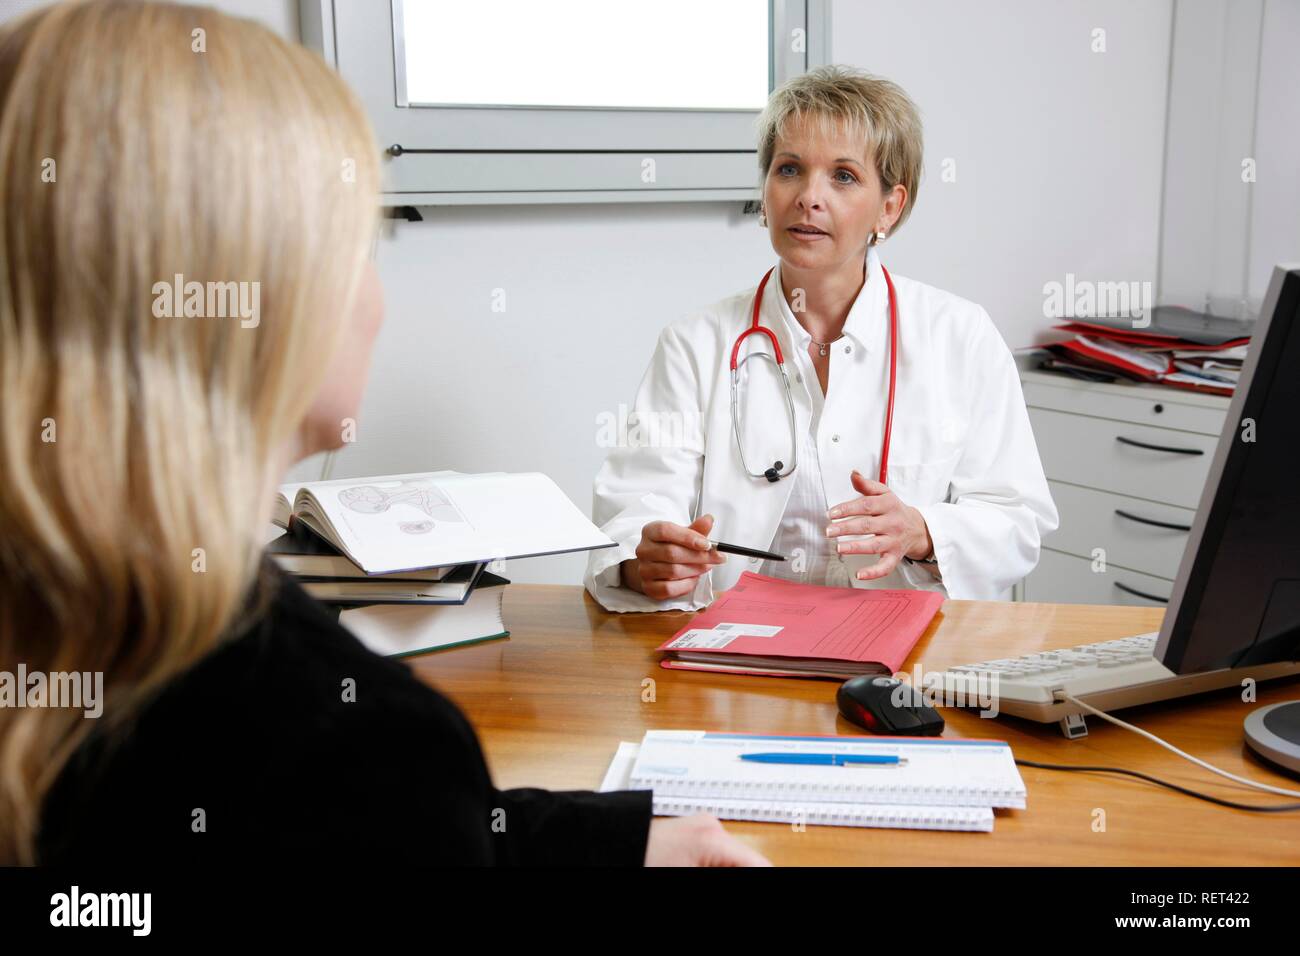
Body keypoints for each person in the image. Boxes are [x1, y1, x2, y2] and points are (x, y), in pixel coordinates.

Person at [0, 0, 766, 867]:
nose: (376, 293)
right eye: (354, 238)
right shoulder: (352, 738)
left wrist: (628, 840)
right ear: (255, 301)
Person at [586, 66, 1058, 612]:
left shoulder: (960, 336)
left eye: (843, 176)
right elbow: (634, 513)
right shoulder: (695, 344)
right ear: (765, 193)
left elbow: (1019, 521)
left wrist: (922, 530)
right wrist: (644, 560)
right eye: (789, 169)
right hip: (737, 656)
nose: (808, 197)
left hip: (906, 663)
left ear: (889, 207)